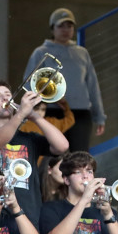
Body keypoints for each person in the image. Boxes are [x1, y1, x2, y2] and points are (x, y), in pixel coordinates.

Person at [0, 80, 69, 230]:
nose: (5, 99)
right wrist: (21, 114)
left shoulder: (30, 138)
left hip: (29, 211)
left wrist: (34, 116)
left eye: (8, 95)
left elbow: (62, 146)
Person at [23, 8, 105, 152]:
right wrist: (41, 103)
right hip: (52, 111)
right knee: (51, 154)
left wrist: (99, 116)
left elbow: (92, 86)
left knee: (79, 155)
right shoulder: (41, 52)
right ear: (52, 29)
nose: (66, 30)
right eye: (61, 26)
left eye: (69, 26)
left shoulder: (82, 53)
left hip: (80, 113)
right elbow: (29, 82)